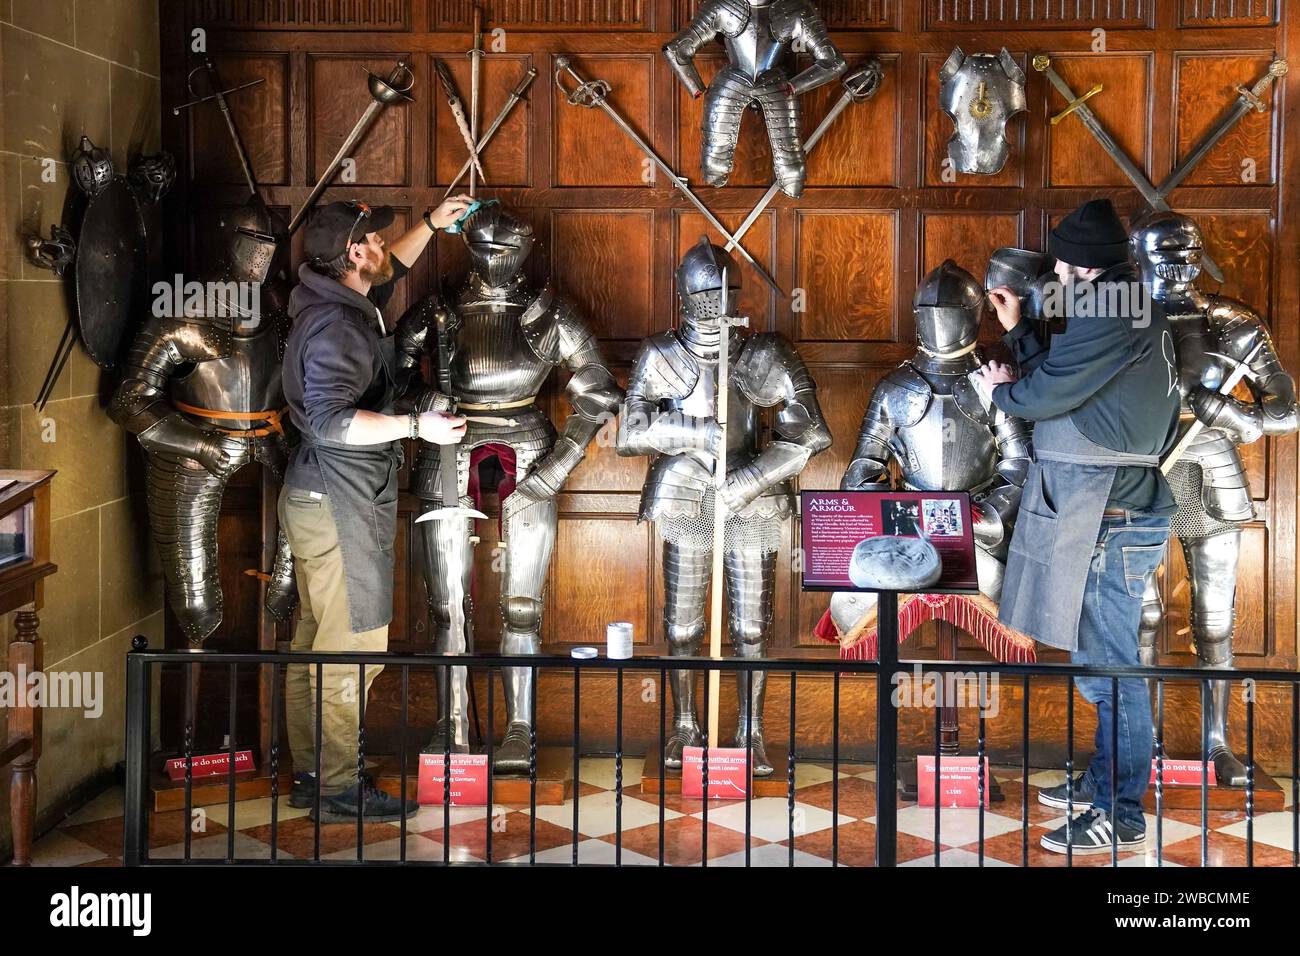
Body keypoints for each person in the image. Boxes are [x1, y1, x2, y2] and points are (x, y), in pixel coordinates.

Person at [975, 198, 1181, 855]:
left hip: (1109, 515)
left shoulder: (1115, 308)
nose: (1056, 276)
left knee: (1112, 670)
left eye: (1061, 264)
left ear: (1077, 265)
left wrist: (999, 394)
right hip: (1102, 510)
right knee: (1100, 666)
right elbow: (1063, 368)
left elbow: (1046, 394)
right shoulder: (1120, 302)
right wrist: (1018, 333)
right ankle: (1102, 782)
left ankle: (1119, 812)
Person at [279, 196, 472, 823]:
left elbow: (389, 276)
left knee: (316, 639)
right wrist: (417, 424)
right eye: (378, 238)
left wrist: (432, 227)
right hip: (340, 499)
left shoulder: (333, 302)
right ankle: (336, 788)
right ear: (356, 253)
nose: (388, 246)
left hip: (315, 495)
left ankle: (314, 773)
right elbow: (334, 420)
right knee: (353, 644)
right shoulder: (339, 326)